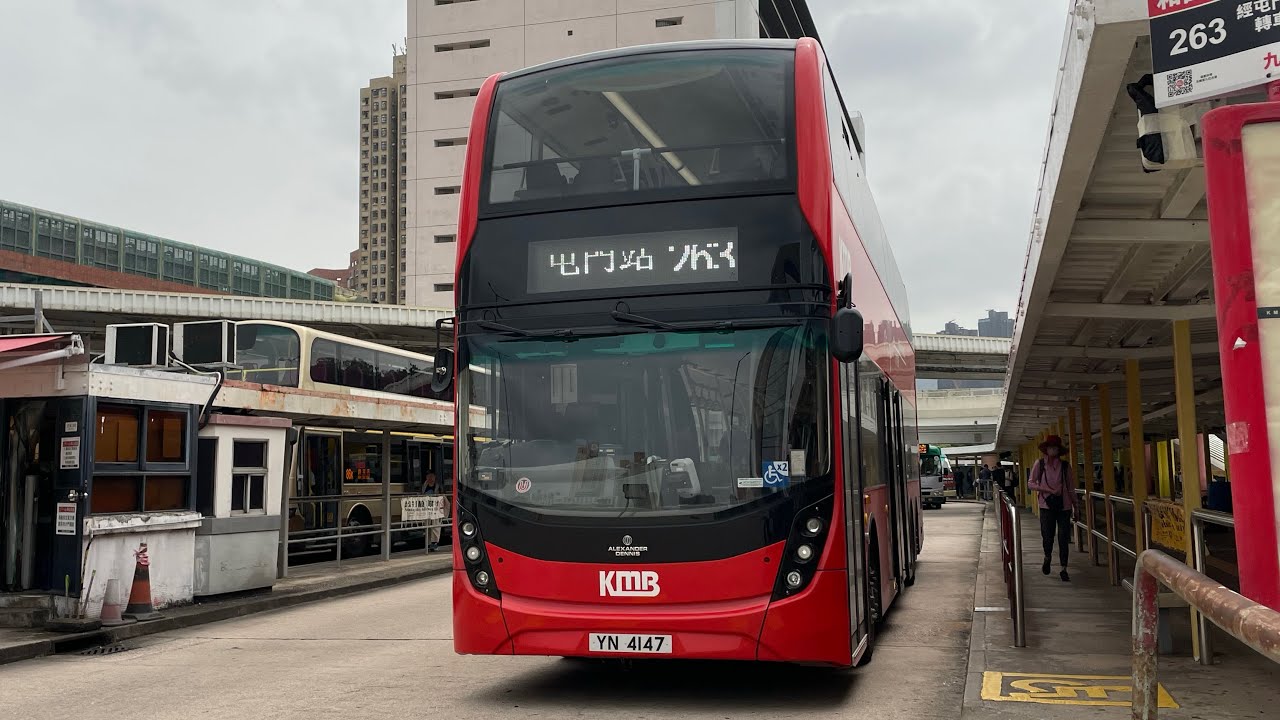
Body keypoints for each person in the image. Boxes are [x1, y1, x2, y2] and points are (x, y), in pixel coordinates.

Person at [1027, 435, 1078, 581]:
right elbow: (1030, 483)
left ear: (1059, 450)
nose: (1053, 450)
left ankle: (1064, 568)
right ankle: (1047, 556)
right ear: (1046, 449)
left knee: (1063, 538)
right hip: (1046, 505)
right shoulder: (1040, 464)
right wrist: (1046, 489)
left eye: (1055, 448)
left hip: (1064, 505)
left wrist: (1076, 506)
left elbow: (1070, 487)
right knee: (1047, 535)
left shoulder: (1065, 466)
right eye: (1050, 448)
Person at [423, 471, 441, 552]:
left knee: (435, 525)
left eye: (432, 476)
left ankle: (434, 543)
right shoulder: (424, 486)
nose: (430, 478)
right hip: (427, 508)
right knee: (427, 525)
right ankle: (428, 543)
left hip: (436, 509)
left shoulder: (438, 486)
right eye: (428, 477)